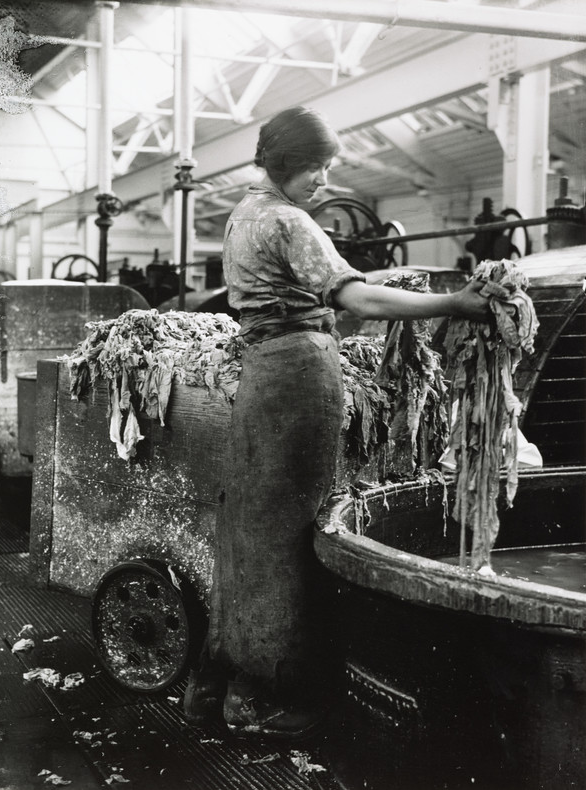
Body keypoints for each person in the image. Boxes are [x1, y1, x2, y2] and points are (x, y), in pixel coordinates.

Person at [183, 105, 489, 740]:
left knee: (250, 524)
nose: (324, 180)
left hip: (261, 372)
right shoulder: (290, 221)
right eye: (318, 168)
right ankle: (270, 696)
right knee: (295, 531)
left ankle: (216, 686)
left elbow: (336, 282)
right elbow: (357, 299)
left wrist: (383, 279)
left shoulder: (245, 214)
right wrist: (456, 302)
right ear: (290, 165)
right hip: (298, 374)